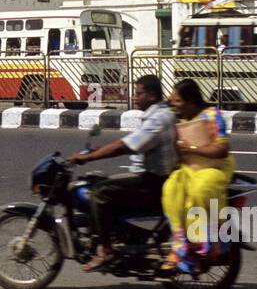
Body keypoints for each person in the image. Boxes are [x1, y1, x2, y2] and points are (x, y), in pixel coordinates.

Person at [70, 75, 177, 272]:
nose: (135, 98)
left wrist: (89, 158)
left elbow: (125, 146)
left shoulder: (158, 119)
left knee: (99, 193)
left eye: (139, 93)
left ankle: (107, 250)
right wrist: (96, 151)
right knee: (98, 181)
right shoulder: (160, 113)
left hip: (154, 183)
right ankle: (121, 236)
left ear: (152, 95)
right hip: (156, 178)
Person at [163, 78, 235, 272]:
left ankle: (211, 238)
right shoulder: (181, 120)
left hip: (215, 168)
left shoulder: (211, 116)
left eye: (177, 101)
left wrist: (192, 148)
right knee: (171, 189)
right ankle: (181, 243)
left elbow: (222, 150)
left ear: (191, 101)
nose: (173, 104)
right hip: (190, 168)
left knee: (201, 188)